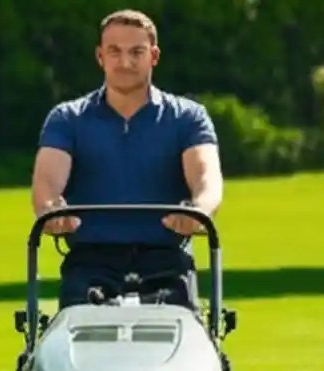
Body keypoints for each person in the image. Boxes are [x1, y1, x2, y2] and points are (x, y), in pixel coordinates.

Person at [31, 9, 223, 310]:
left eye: (137, 52)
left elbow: (206, 177)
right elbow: (47, 183)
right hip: (90, 262)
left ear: (154, 56)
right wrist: (50, 211)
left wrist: (200, 210)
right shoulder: (67, 119)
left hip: (166, 260)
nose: (125, 62)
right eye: (114, 52)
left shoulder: (187, 117)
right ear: (100, 57)